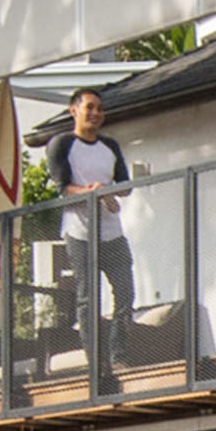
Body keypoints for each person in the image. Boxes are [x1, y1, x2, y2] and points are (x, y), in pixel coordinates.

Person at [46, 87, 143, 356]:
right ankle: (94, 360)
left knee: (125, 292)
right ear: (74, 110)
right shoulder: (62, 144)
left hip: (112, 232)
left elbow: (125, 186)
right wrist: (94, 192)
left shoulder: (109, 146)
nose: (96, 113)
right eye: (90, 107)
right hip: (80, 232)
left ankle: (118, 351)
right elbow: (63, 188)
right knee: (88, 297)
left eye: (99, 108)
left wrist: (108, 191)